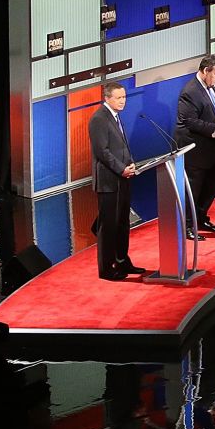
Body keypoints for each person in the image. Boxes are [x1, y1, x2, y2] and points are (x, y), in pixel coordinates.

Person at [174, 54, 215, 233]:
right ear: (205, 71)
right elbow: (190, 121)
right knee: (193, 190)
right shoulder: (190, 92)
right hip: (197, 150)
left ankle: (202, 219)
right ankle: (188, 226)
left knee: (210, 188)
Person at [89, 81, 140, 281]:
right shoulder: (99, 119)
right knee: (108, 225)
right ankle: (106, 269)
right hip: (109, 181)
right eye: (118, 98)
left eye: (124, 97)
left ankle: (122, 261)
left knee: (122, 223)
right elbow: (102, 152)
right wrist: (121, 168)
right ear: (107, 98)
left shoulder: (116, 117)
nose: (122, 101)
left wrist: (130, 164)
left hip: (123, 178)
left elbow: (121, 147)